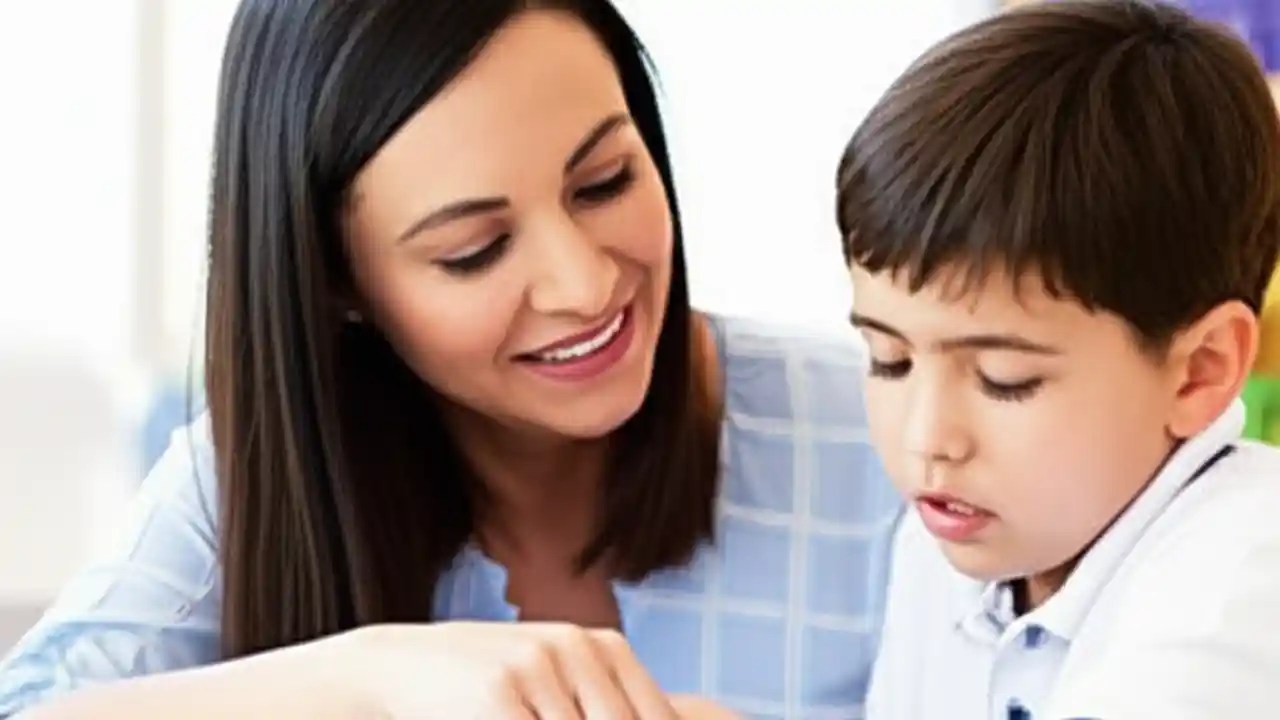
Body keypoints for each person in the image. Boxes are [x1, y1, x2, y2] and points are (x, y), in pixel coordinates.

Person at [0, 1, 900, 718]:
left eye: (604, 183)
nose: (583, 286)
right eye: (474, 249)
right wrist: (377, 683)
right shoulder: (249, 480)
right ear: (337, 284)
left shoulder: (888, 432)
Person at [835, 1, 1280, 718]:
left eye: (1003, 380)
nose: (926, 439)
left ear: (1200, 369)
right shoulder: (945, 545)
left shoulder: (1248, 578)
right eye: (890, 360)